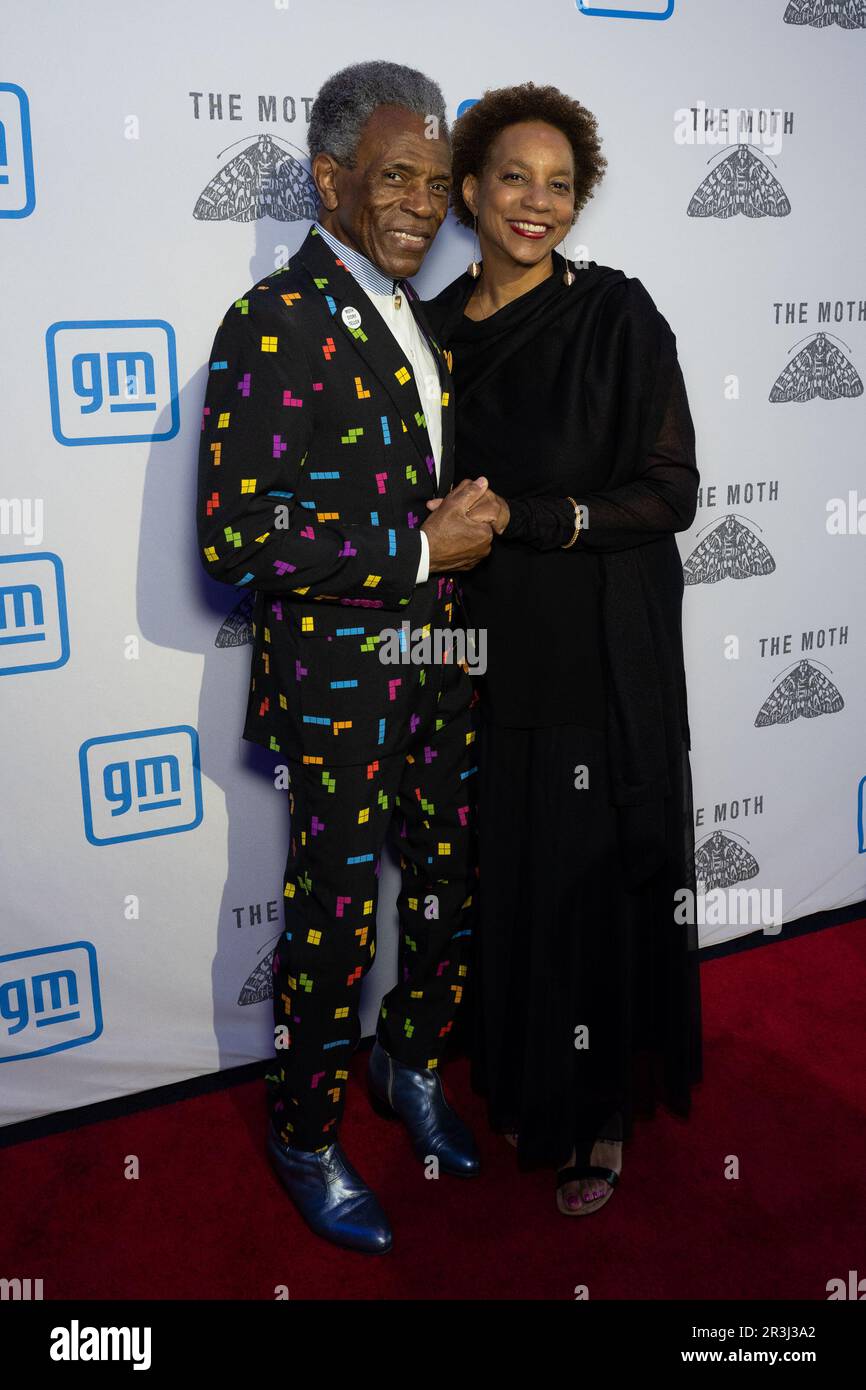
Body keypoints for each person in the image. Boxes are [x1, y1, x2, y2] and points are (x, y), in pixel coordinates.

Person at [196, 61, 494, 1254]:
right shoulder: (271, 318)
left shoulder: (426, 320)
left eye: (435, 179)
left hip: (445, 660)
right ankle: (303, 1133)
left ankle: (407, 1063)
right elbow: (235, 532)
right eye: (394, 178)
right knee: (329, 919)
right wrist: (419, 545)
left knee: (443, 881)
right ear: (329, 181)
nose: (424, 201)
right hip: (336, 674)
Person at [424, 82, 703, 1216]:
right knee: (516, 874)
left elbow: (670, 493)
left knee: (588, 881)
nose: (535, 204)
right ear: (472, 192)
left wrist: (543, 517)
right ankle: (524, 1072)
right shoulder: (430, 334)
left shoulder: (616, 315)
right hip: (489, 655)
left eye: (558, 186)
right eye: (511, 180)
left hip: (600, 651)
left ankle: (593, 1114)